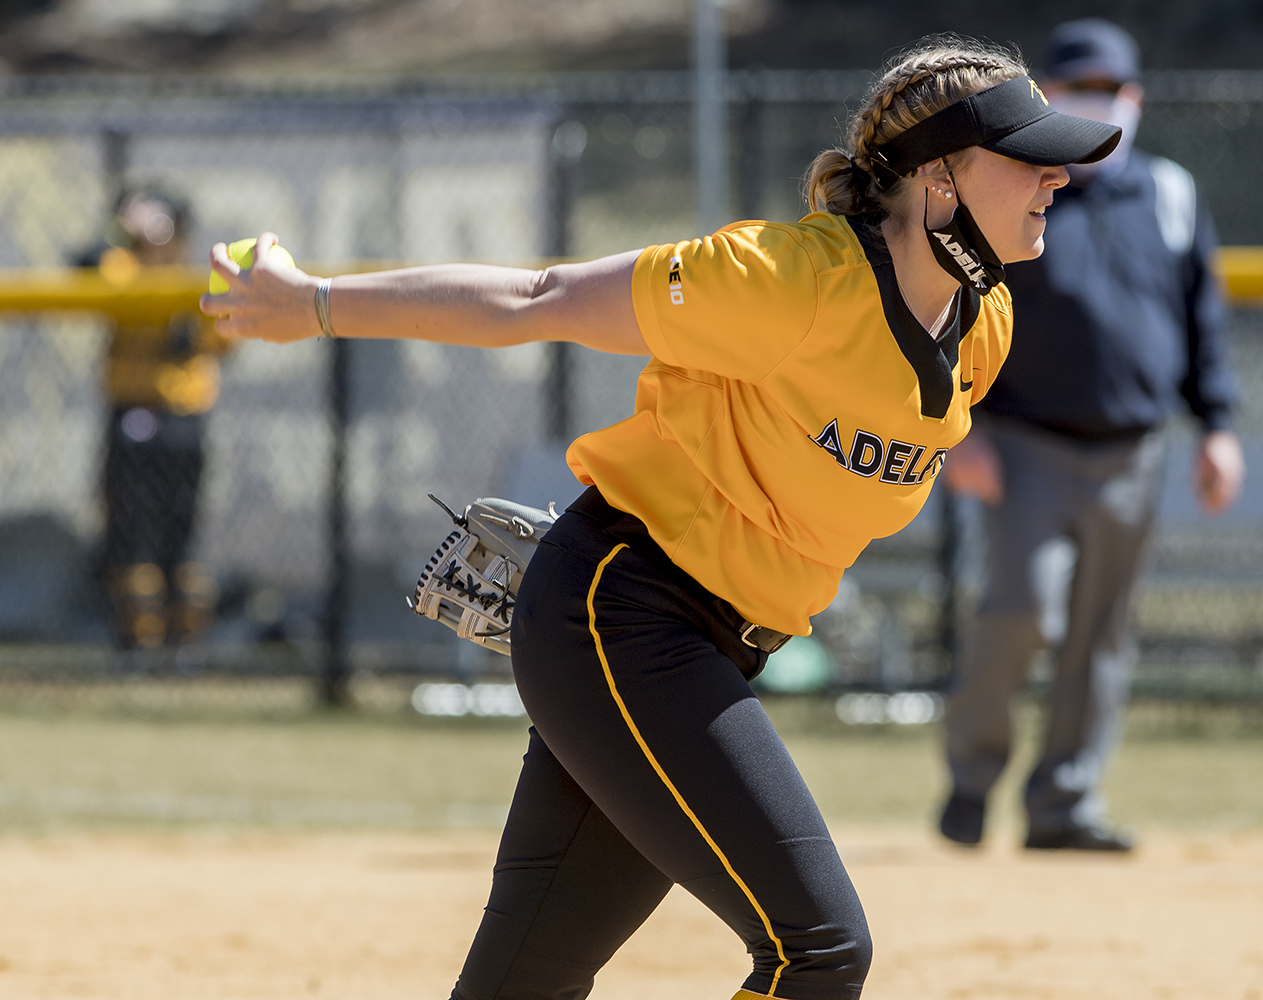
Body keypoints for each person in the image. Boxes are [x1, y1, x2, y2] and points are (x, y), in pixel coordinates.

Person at [202, 37, 1119, 1000]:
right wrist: (311, 303)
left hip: (705, 646)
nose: (1057, 175)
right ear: (939, 177)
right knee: (819, 947)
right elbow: (537, 299)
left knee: (524, 983)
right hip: (623, 612)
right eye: (1027, 155)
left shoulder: (984, 322)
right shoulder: (788, 280)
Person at [938, 19, 1245, 852]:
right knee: (1020, 613)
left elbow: (1201, 320)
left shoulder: (1170, 193)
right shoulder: (1017, 186)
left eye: (1109, 91)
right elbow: (955, 318)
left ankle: (1064, 804)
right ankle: (970, 783)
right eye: (1077, 89)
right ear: (1044, 98)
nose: (1096, 103)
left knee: (1102, 631)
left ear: (1133, 99)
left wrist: (1218, 427)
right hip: (1023, 445)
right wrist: (956, 432)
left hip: (1133, 452)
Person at [77, 190, 229, 663]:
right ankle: (140, 648)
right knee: (131, 536)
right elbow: (83, 263)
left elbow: (226, 343)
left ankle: (185, 649)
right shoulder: (122, 268)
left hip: (182, 418)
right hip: (134, 414)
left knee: (179, 538)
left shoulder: (198, 282)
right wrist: (120, 232)